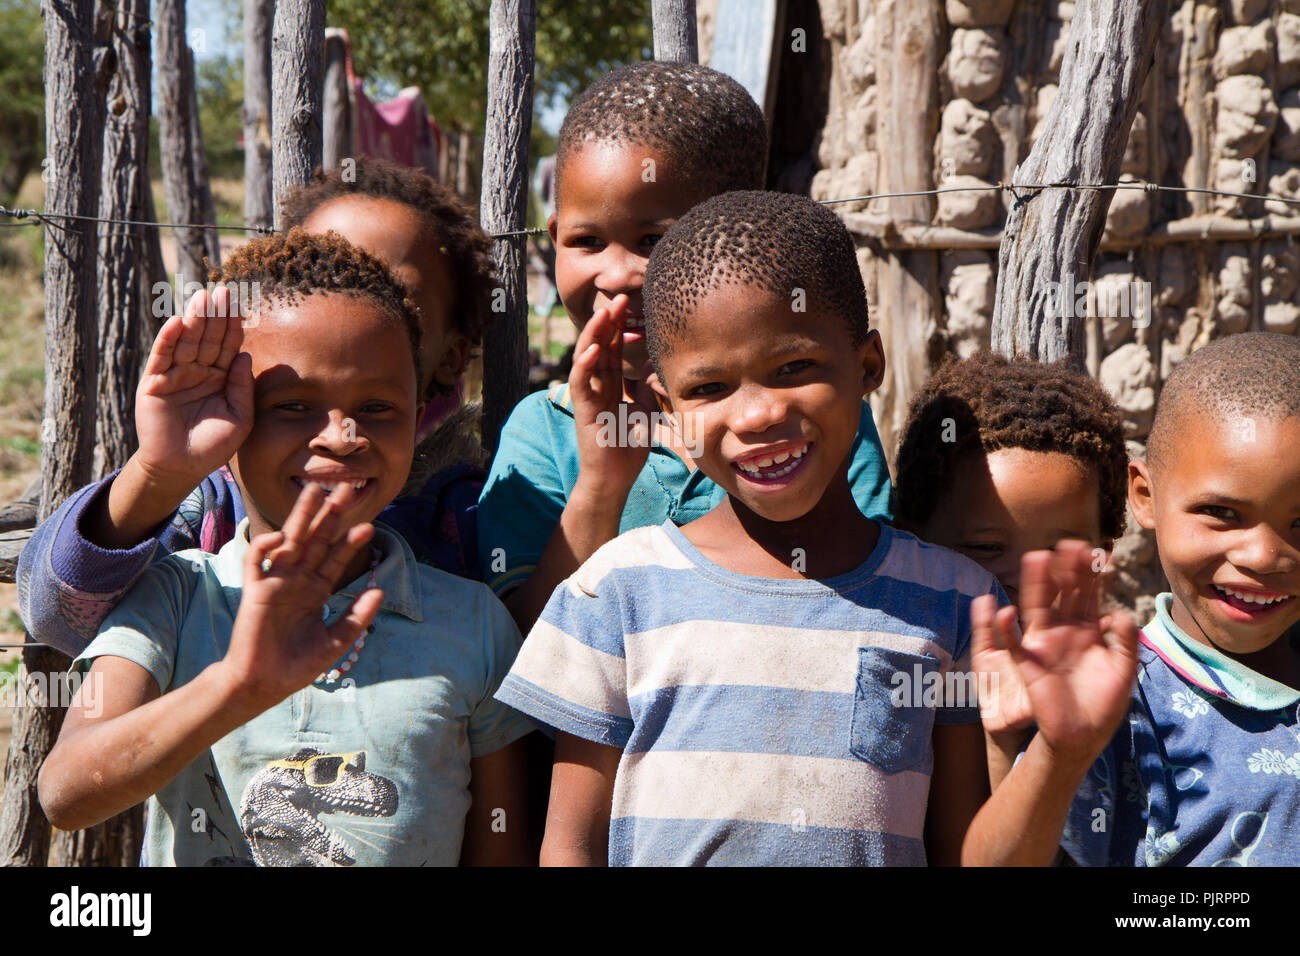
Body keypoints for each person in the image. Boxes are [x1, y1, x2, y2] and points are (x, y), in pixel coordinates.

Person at [494, 190, 1119, 866]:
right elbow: (569, 848)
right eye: (710, 388)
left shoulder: (956, 603)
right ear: (664, 410)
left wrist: (1059, 753)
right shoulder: (615, 593)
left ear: (868, 365)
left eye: (793, 368)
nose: (758, 413)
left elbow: (960, 854)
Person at [37, 229, 532, 866]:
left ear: (418, 419)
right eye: (294, 406)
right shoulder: (178, 596)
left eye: (377, 406)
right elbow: (65, 792)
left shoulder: (473, 626)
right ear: (228, 423)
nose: (342, 436)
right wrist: (236, 687)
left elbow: (501, 849)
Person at [18, 157, 495, 657]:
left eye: (393, 296)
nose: (346, 310)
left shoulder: (465, 514)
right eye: (320, 272)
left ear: (452, 353)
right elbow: (54, 615)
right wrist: (157, 476)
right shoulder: (211, 505)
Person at [476, 61, 894, 631]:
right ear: (552, 241)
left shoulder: (814, 416)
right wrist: (602, 481)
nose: (617, 274)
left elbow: (861, 592)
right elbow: (521, 647)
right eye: (587, 241)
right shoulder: (544, 432)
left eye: (653, 240)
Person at [1046, 333, 1300, 866]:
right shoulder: (1118, 706)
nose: (1264, 555)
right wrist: (1048, 754)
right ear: (1146, 495)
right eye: (1222, 513)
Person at [891, 349, 1130, 788]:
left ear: (1102, 555)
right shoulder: (900, 685)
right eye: (986, 547)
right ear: (914, 543)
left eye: (1059, 550)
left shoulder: (1121, 701)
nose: (1027, 577)